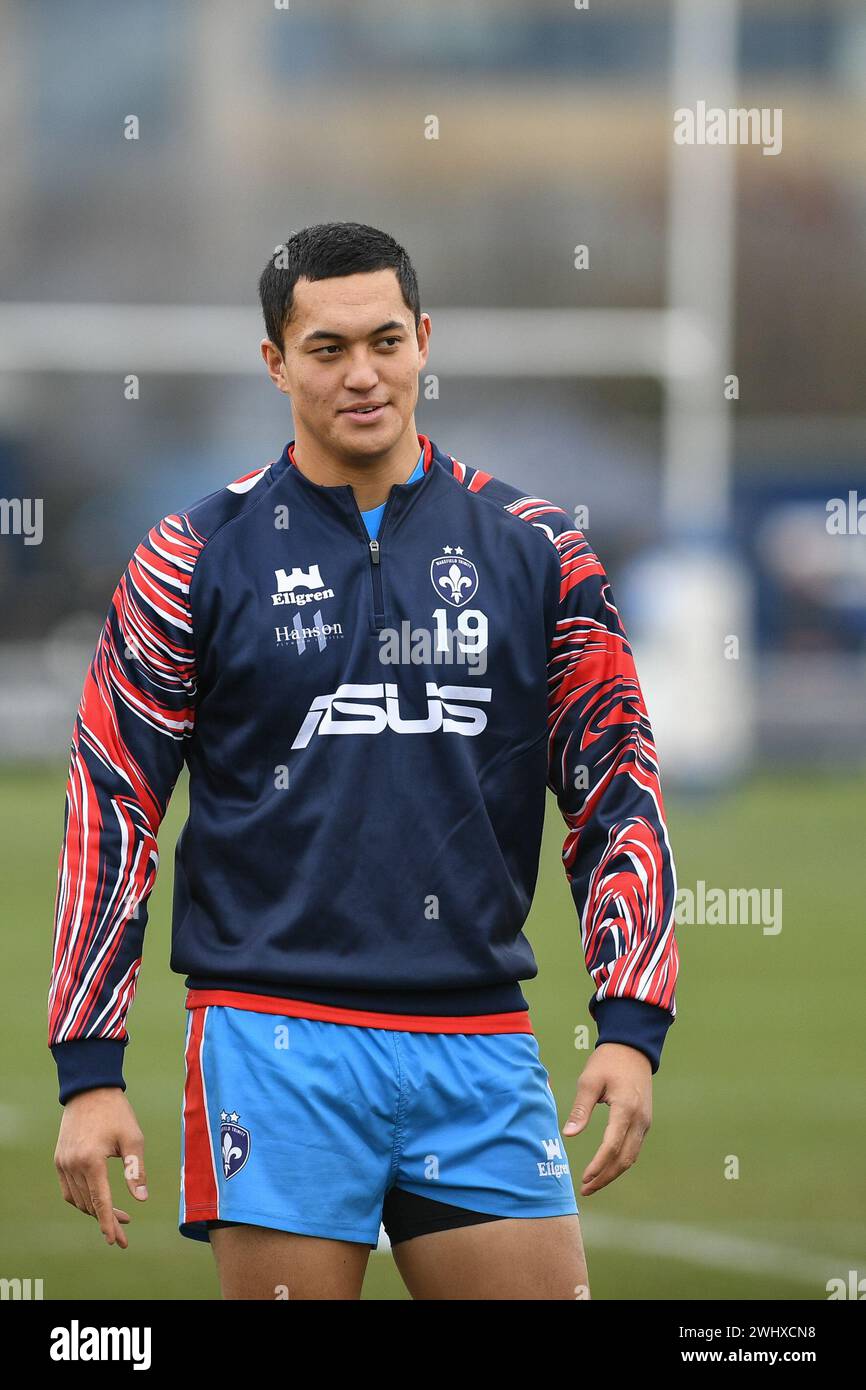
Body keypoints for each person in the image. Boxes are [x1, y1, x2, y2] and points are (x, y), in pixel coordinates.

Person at [49, 221, 679, 1300]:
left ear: (425, 339)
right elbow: (112, 804)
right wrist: (88, 1068)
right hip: (270, 1040)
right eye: (327, 348)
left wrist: (629, 1021)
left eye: (384, 340)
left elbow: (614, 788)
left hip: (476, 1041)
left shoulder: (535, 548)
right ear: (275, 363)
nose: (362, 374)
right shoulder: (190, 556)